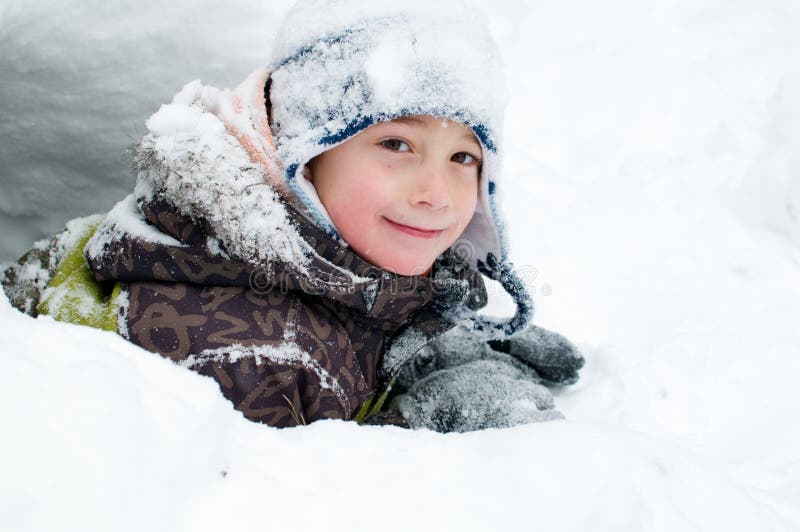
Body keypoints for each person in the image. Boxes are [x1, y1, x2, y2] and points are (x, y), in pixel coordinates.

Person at [1, 0, 584, 432]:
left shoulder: (341, 261)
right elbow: (274, 501)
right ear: (299, 158)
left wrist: (421, 340)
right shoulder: (253, 361)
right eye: (396, 145)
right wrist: (423, 426)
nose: (437, 192)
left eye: (463, 157)